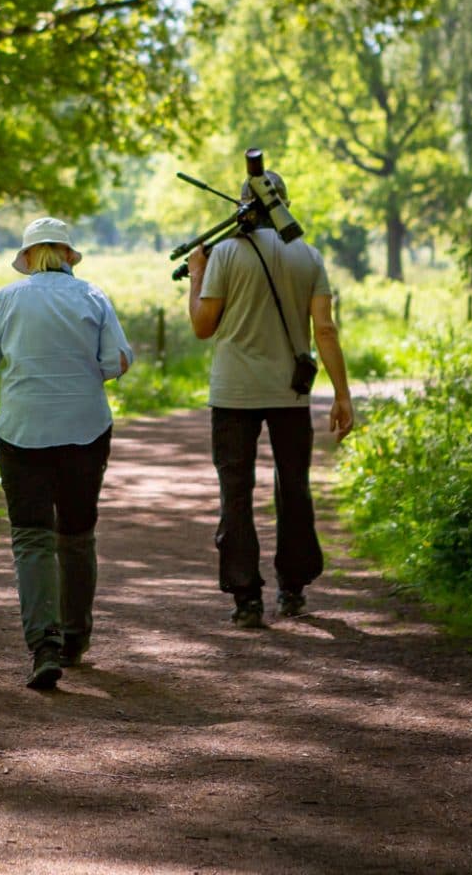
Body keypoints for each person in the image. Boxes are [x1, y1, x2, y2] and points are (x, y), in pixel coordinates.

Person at [0, 217, 133, 690]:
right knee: (76, 534)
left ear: (29, 256)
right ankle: (76, 636)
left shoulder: (7, 299)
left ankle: (45, 645)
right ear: (67, 254)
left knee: (32, 538)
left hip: (20, 431)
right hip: (86, 429)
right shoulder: (94, 297)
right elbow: (112, 362)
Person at [185, 171, 353, 628]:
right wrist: (342, 394)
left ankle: (246, 599)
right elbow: (325, 331)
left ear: (241, 206)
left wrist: (195, 275)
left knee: (236, 493)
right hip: (291, 394)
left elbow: (203, 326)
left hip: (233, 394)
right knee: (293, 487)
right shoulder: (309, 256)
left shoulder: (224, 255)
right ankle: (293, 589)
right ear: (283, 205)